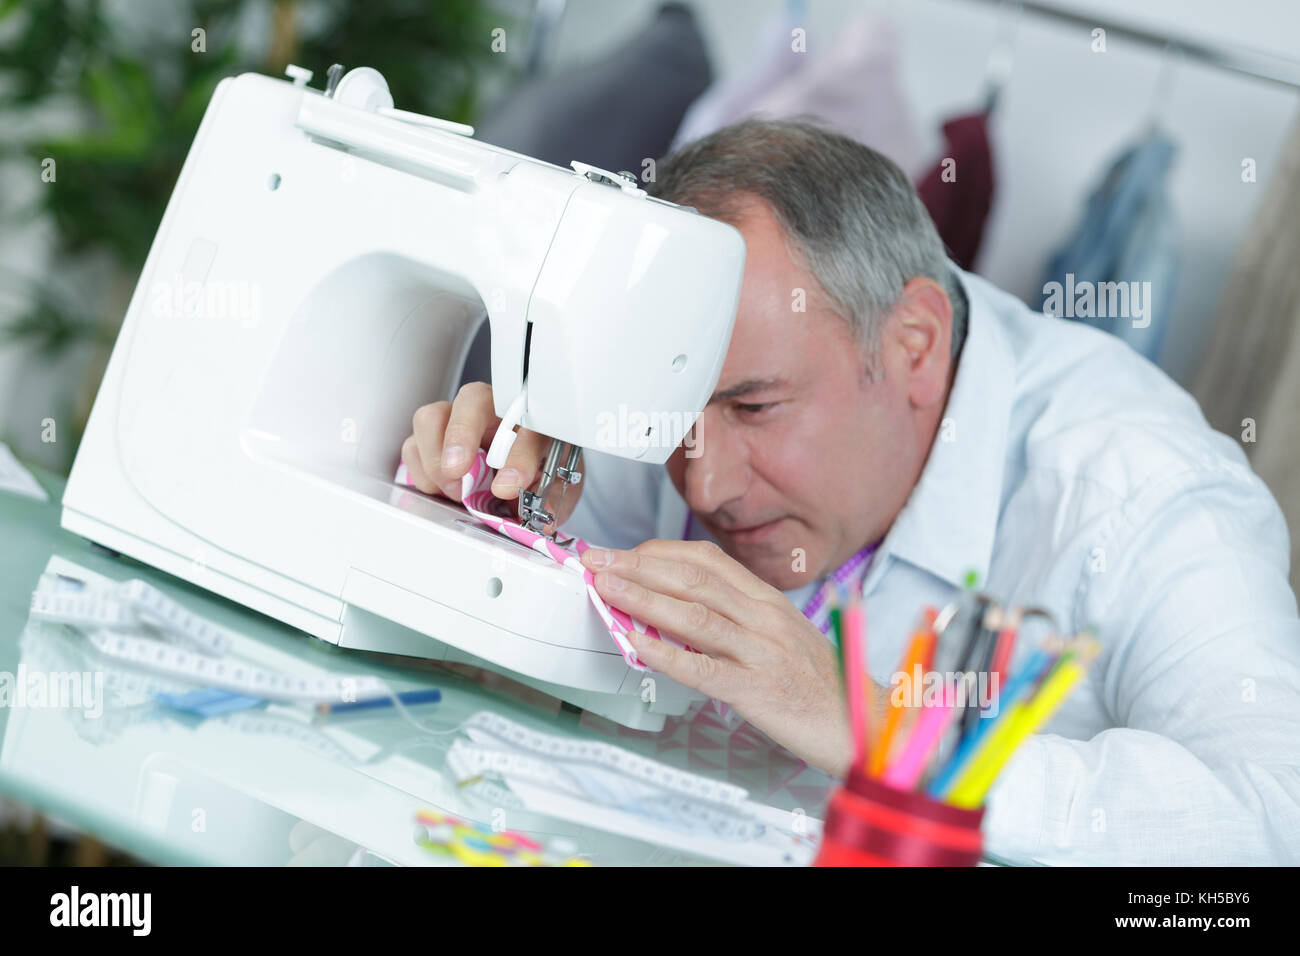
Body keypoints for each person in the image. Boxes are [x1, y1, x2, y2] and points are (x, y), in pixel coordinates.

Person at [401, 119, 1300, 865]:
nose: (704, 484)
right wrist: (487, 527)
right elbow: (533, 629)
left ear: (914, 345)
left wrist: (885, 736)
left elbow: (1272, 816)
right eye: (670, 422)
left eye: (755, 408)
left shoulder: (1144, 496)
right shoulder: (697, 368)